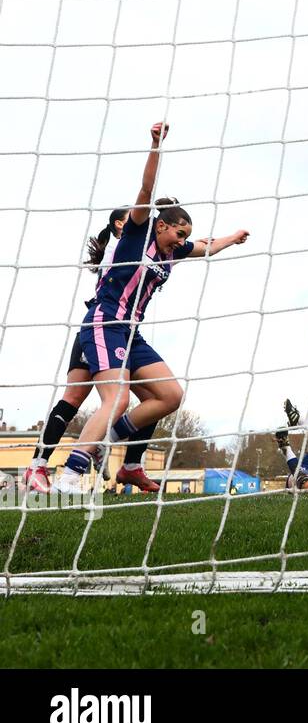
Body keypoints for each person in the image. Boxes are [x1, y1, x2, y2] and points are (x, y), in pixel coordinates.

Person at [56, 123, 250, 494]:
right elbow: (145, 189)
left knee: (170, 396)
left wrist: (233, 238)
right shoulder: (136, 233)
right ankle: (70, 475)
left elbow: (206, 247)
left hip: (131, 332)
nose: (182, 241)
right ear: (160, 225)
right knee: (119, 397)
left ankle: (111, 442)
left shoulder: (171, 251)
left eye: (185, 237)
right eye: (179, 233)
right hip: (104, 321)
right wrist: (155, 145)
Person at [27, 207, 167, 494]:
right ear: (120, 224)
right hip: (102, 328)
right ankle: (39, 465)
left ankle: (131, 464)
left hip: (120, 331)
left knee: (152, 396)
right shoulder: (121, 245)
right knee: (76, 397)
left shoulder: (141, 246)